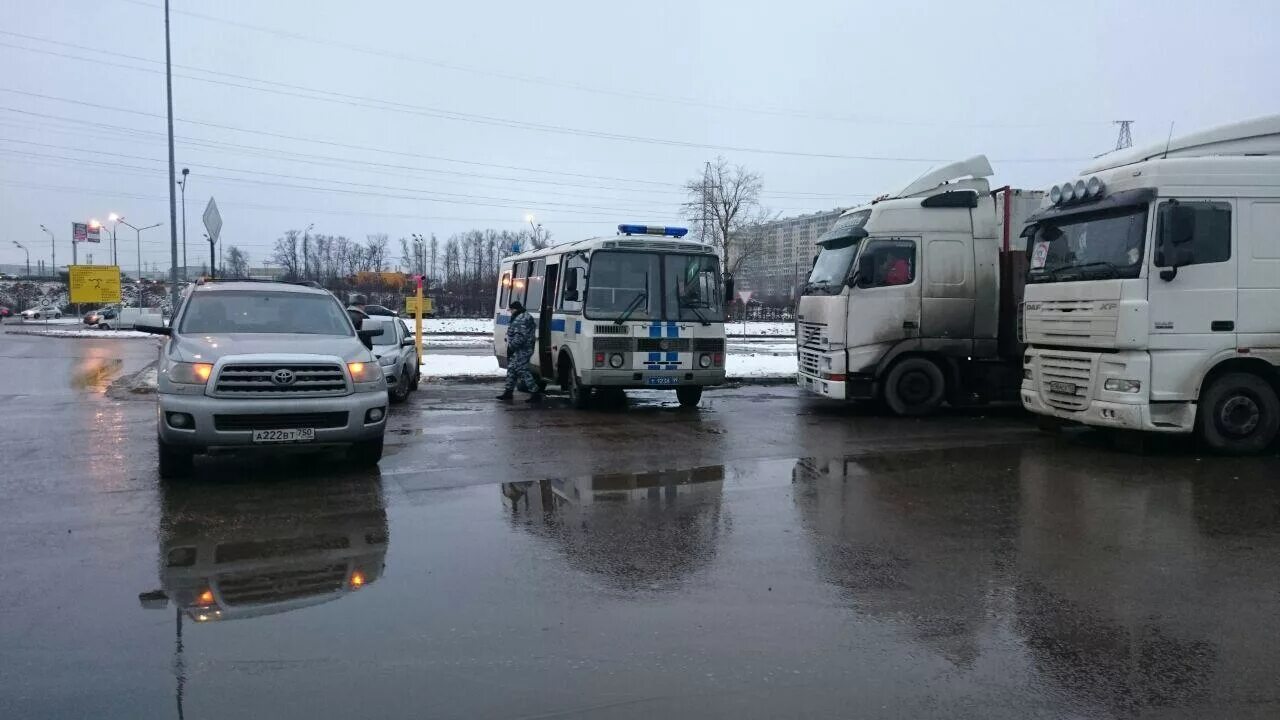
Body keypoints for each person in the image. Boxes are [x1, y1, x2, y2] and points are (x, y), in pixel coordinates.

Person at [498, 300, 543, 403]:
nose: (510, 312)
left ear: (515, 309)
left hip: (523, 349)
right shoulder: (522, 317)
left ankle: (535, 392)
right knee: (512, 368)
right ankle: (508, 392)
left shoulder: (521, 319)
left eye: (511, 310)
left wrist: (511, 348)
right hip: (520, 348)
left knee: (521, 369)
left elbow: (520, 337)